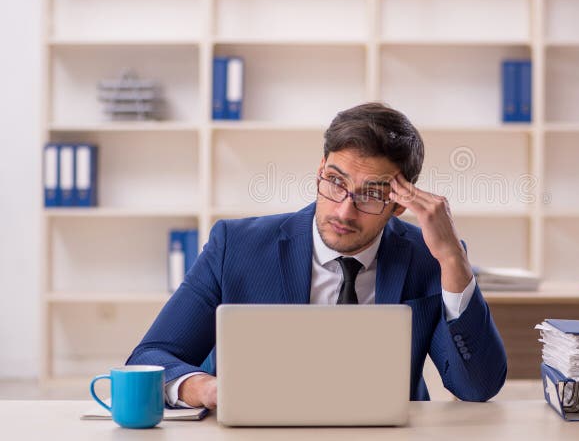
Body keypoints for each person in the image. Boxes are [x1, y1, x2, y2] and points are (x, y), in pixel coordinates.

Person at [127, 102, 507, 409]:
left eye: (371, 194)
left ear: (398, 206)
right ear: (319, 172)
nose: (344, 211)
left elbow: (478, 387)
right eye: (336, 182)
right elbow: (151, 357)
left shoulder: (430, 260)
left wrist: (453, 260)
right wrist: (206, 390)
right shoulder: (236, 245)